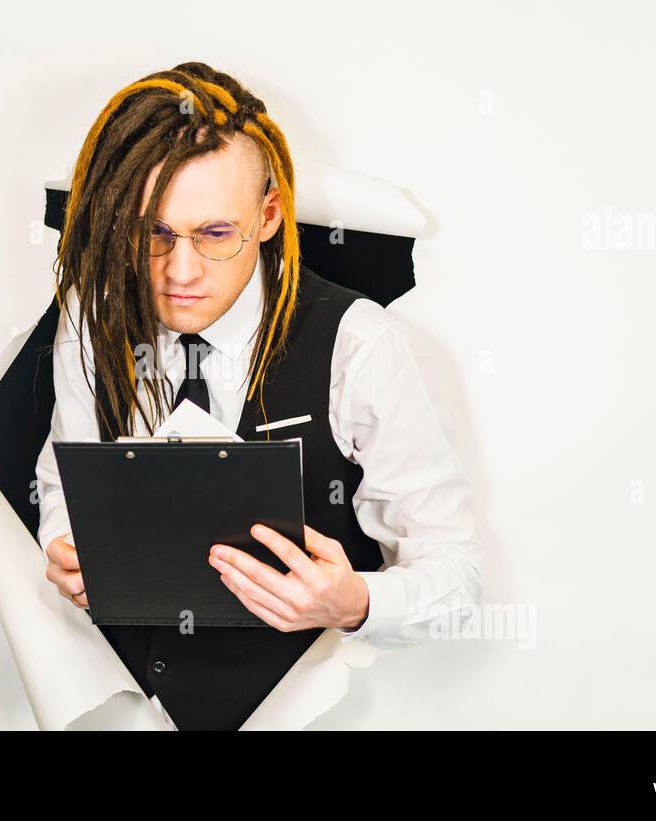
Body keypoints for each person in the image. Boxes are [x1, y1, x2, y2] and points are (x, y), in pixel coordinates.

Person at [33, 61, 482, 731]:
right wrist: (67, 550)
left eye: (215, 234)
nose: (179, 272)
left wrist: (354, 600)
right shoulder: (89, 317)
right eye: (153, 232)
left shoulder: (361, 346)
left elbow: (459, 579)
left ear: (268, 214)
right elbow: (60, 482)